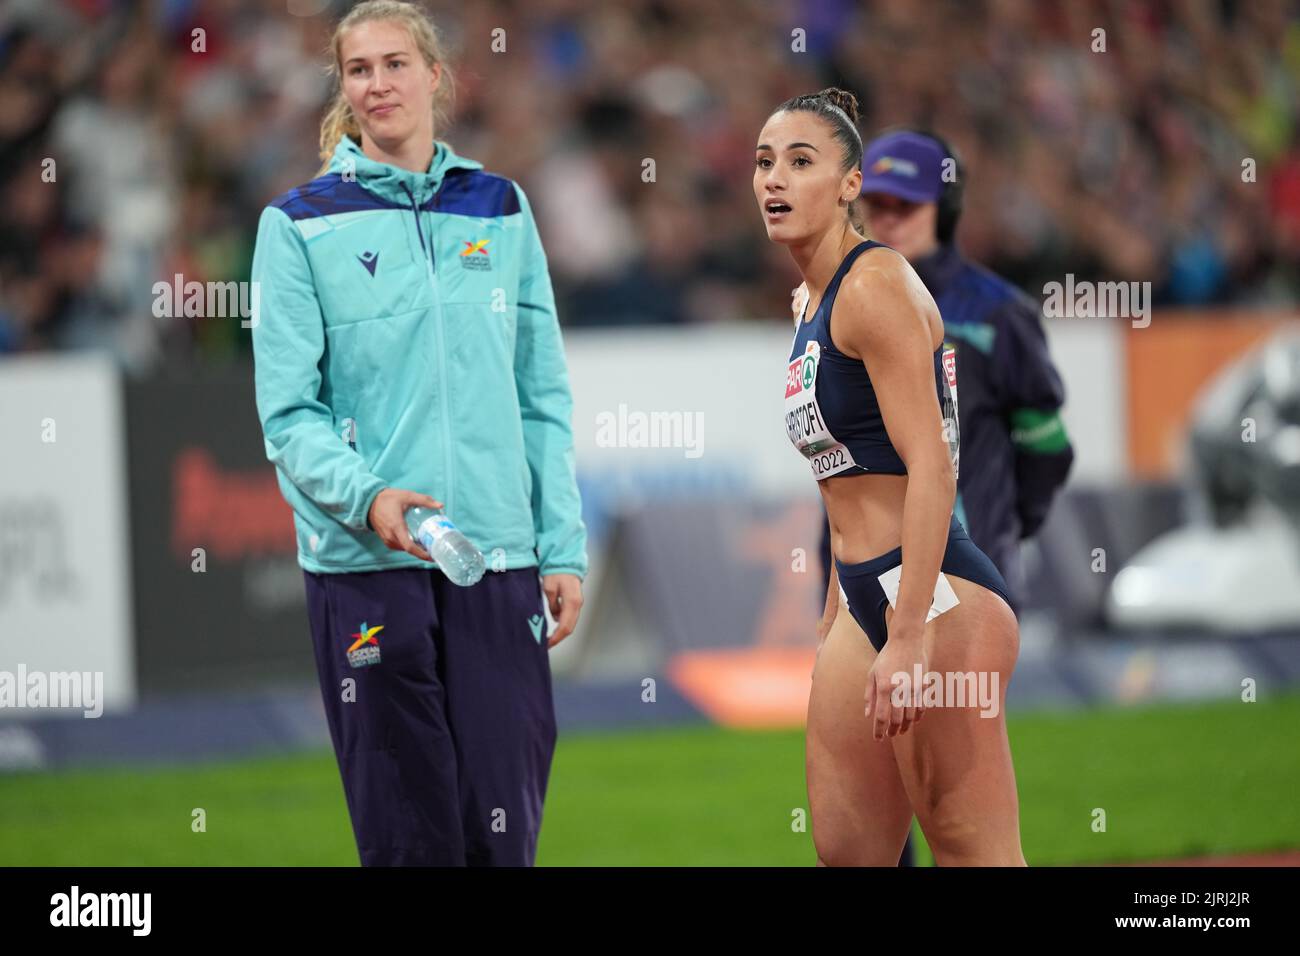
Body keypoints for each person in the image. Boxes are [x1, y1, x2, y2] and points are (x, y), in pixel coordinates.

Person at [249, 0, 587, 866]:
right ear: (344, 87)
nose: (378, 83)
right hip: (368, 571)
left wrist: (561, 548)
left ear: (435, 74)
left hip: (493, 561)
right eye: (359, 69)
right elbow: (288, 416)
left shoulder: (501, 208)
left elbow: (540, 393)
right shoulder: (296, 225)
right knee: (409, 844)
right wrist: (370, 500)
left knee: (500, 837)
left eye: (395, 63)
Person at [760, 87, 1027, 866]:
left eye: (801, 161)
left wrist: (907, 632)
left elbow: (932, 466)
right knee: (848, 849)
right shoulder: (807, 298)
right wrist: (843, 598)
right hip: (863, 597)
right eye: (764, 161)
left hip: (938, 598)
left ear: (850, 186)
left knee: (970, 848)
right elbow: (839, 462)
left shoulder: (874, 285)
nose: (774, 178)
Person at [803, 129, 1074, 616]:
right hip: (861, 575)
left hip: (965, 576)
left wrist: (1003, 532)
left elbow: (1047, 450)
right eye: (875, 204)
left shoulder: (998, 315)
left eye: (905, 206)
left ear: (943, 211)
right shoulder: (829, 305)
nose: (887, 219)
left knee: (954, 693)